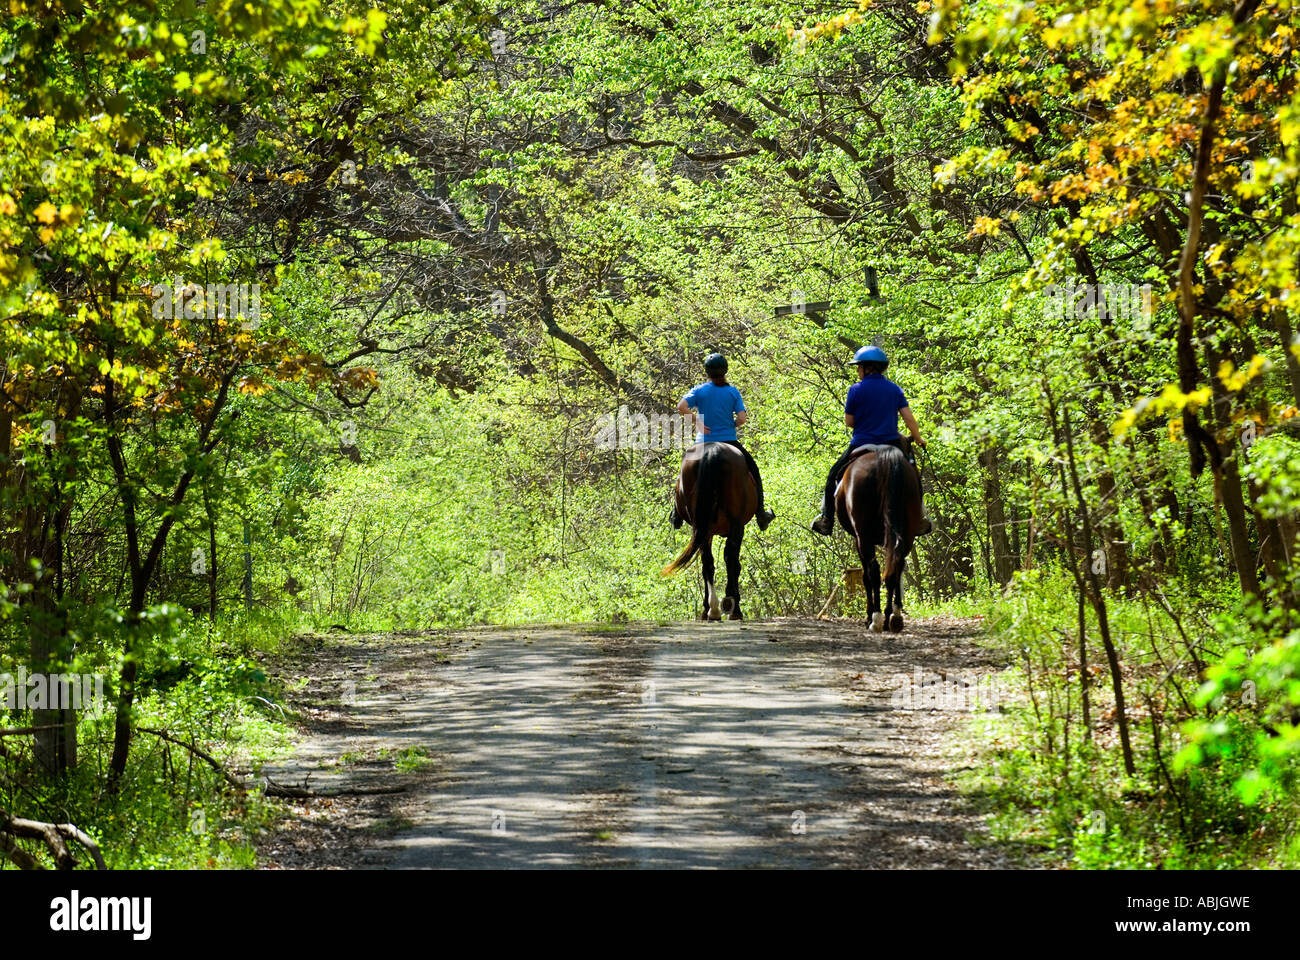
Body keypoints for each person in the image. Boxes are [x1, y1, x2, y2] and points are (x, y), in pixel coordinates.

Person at [810, 345, 930, 536]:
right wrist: (918, 438)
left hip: (861, 443)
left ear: (867, 368)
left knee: (833, 475)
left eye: (858, 367)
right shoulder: (894, 389)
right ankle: (921, 517)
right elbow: (908, 418)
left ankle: (827, 520)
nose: (857, 371)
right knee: (913, 476)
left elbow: (849, 422)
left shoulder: (856, 389)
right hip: (892, 444)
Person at [670, 353, 776, 531]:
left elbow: (681, 407)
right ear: (725, 371)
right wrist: (733, 424)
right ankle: (761, 514)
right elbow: (742, 418)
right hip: (729, 441)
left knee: (683, 471)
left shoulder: (699, 390)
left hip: (702, 443)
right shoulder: (732, 392)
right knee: (754, 470)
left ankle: (676, 513)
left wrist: (697, 421)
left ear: (707, 372)